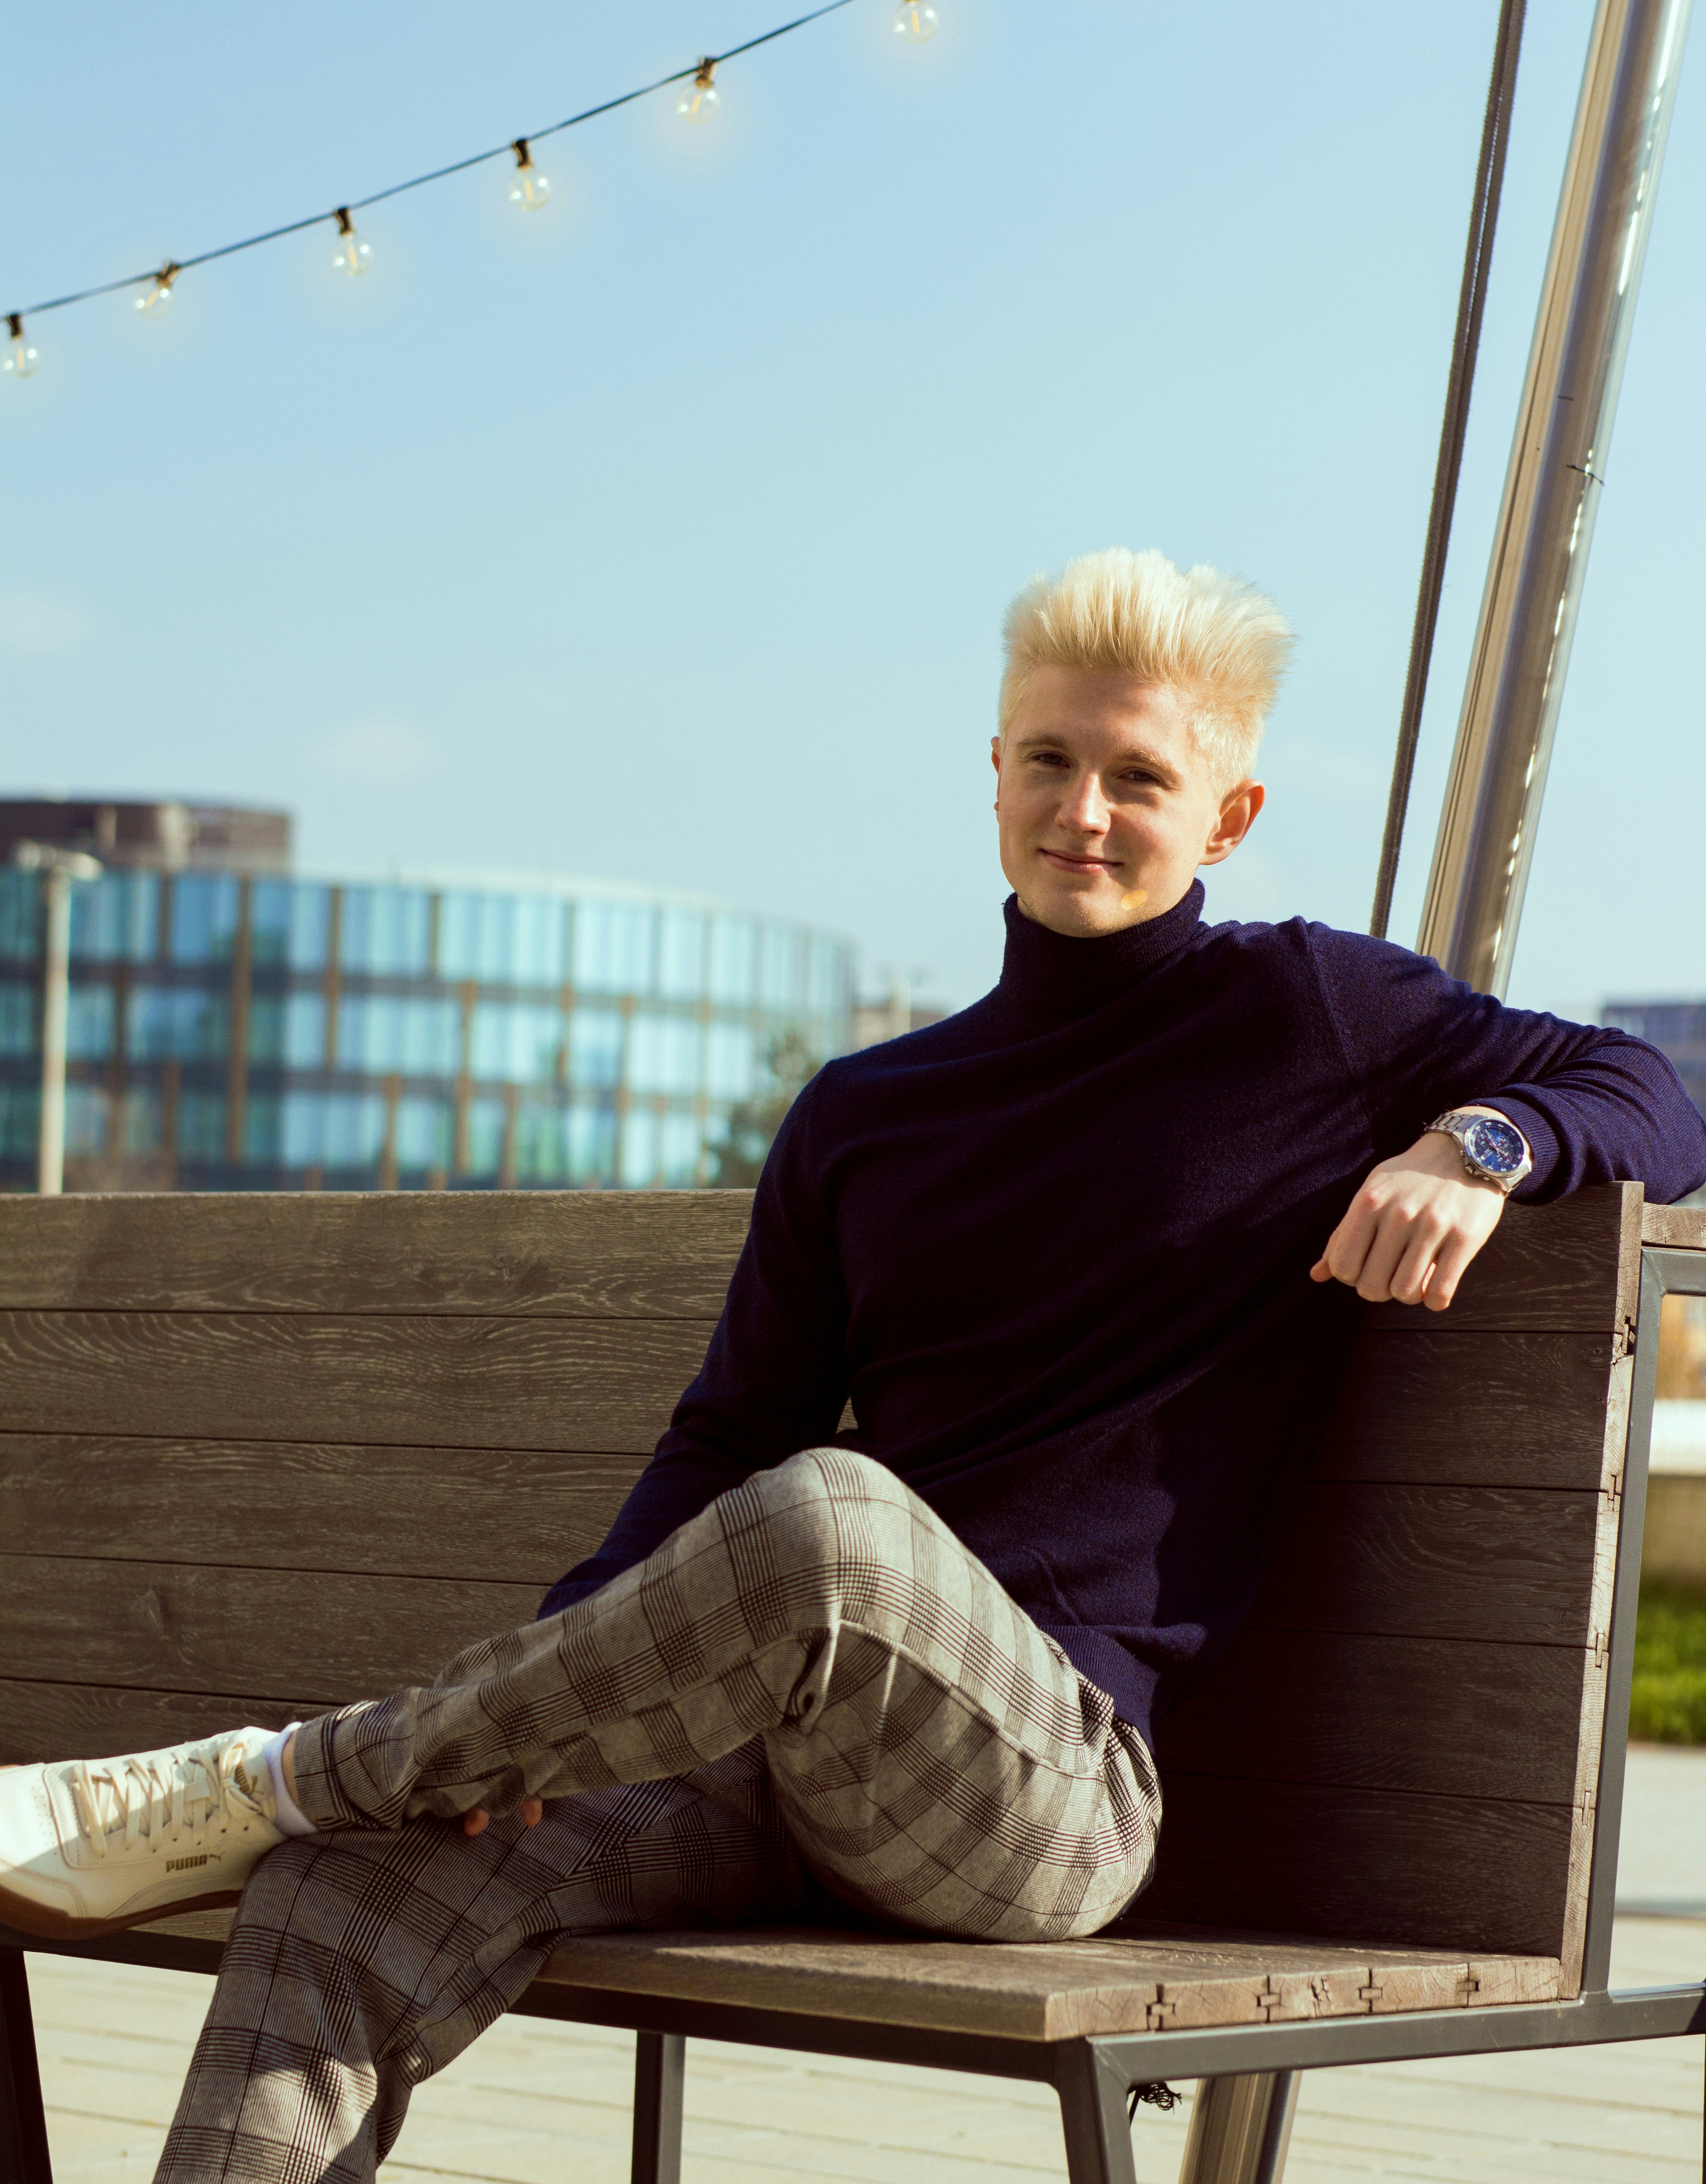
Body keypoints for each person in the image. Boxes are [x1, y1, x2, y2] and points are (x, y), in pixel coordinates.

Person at [4, 547, 1703, 2182]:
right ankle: (338, 1801)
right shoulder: (867, 1113)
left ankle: (276, 1776)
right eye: (1049, 759)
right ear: (992, 770)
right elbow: (722, 1432)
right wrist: (548, 1701)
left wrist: (1483, 1141)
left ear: (1228, 814)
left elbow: (1654, 1093)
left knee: (836, 1519)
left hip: (1044, 1799)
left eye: (1137, 777)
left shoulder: (1312, 1016)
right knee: (338, 1896)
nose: (1083, 811)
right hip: (778, 1770)